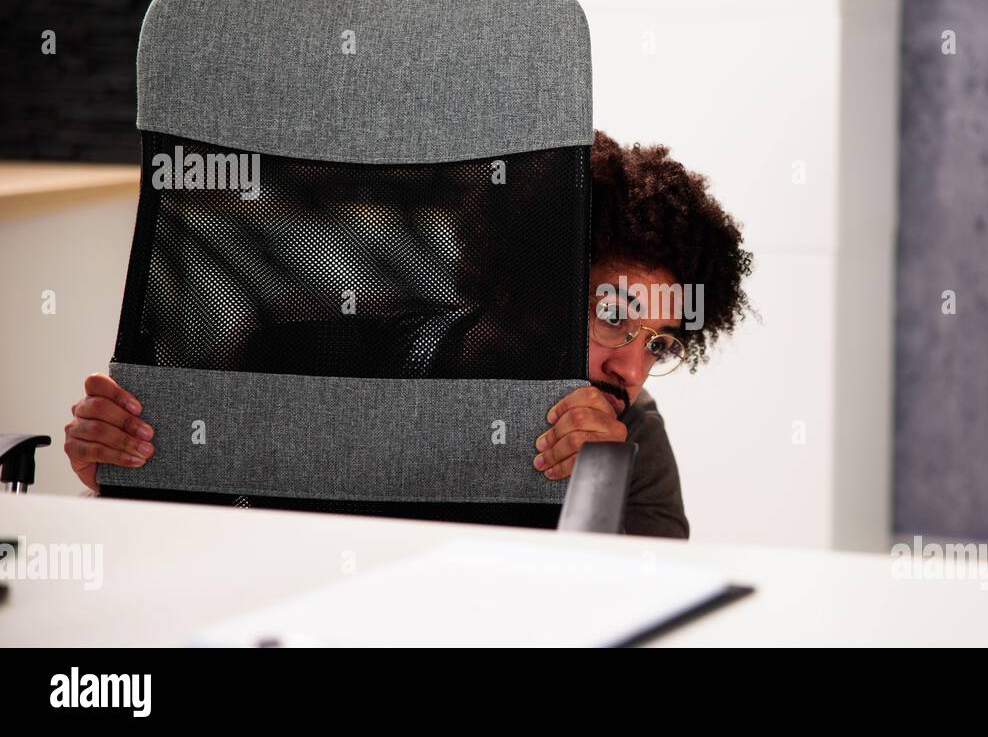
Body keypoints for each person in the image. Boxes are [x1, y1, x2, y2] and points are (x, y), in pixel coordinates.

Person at [63, 130, 753, 538]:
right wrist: (124, 467)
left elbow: (639, 610)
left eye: (659, 343)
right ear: (532, 282)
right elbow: (188, 535)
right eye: (614, 316)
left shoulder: (633, 439)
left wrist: (595, 493)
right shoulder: (297, 352)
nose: (631, 369)